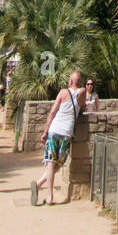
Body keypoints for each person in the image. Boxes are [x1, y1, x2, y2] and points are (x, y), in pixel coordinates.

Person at [31, 71, 86, 207]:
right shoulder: (82, 92)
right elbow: (83, 105)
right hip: (67, 132)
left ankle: (41, 188)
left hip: (55, 130)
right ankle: (45, 192)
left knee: (52, 163)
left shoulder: (63, 93)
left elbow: (52, 113)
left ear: (70, 82)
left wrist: (45, 132)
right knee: (57, 164)